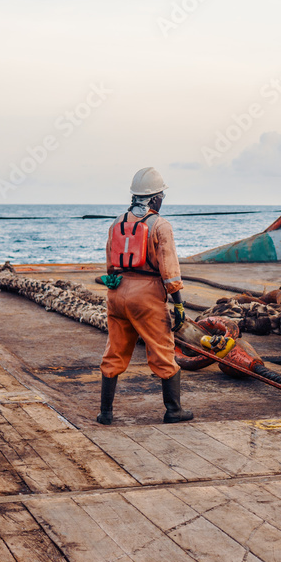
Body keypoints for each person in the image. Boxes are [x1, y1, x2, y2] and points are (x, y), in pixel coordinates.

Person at [97, 167, 193, 425]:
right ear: (154, 198)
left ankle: (105, 413)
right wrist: (179, 306)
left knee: (114, 351)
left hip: (116, 292)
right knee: (163, 350)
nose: (162, 200)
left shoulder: (117, 223)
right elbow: (170, 270)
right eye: (161, 196)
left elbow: (109, 263)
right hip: (147, 296)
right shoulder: (159, 225)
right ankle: (174, 411)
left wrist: (116, 284)